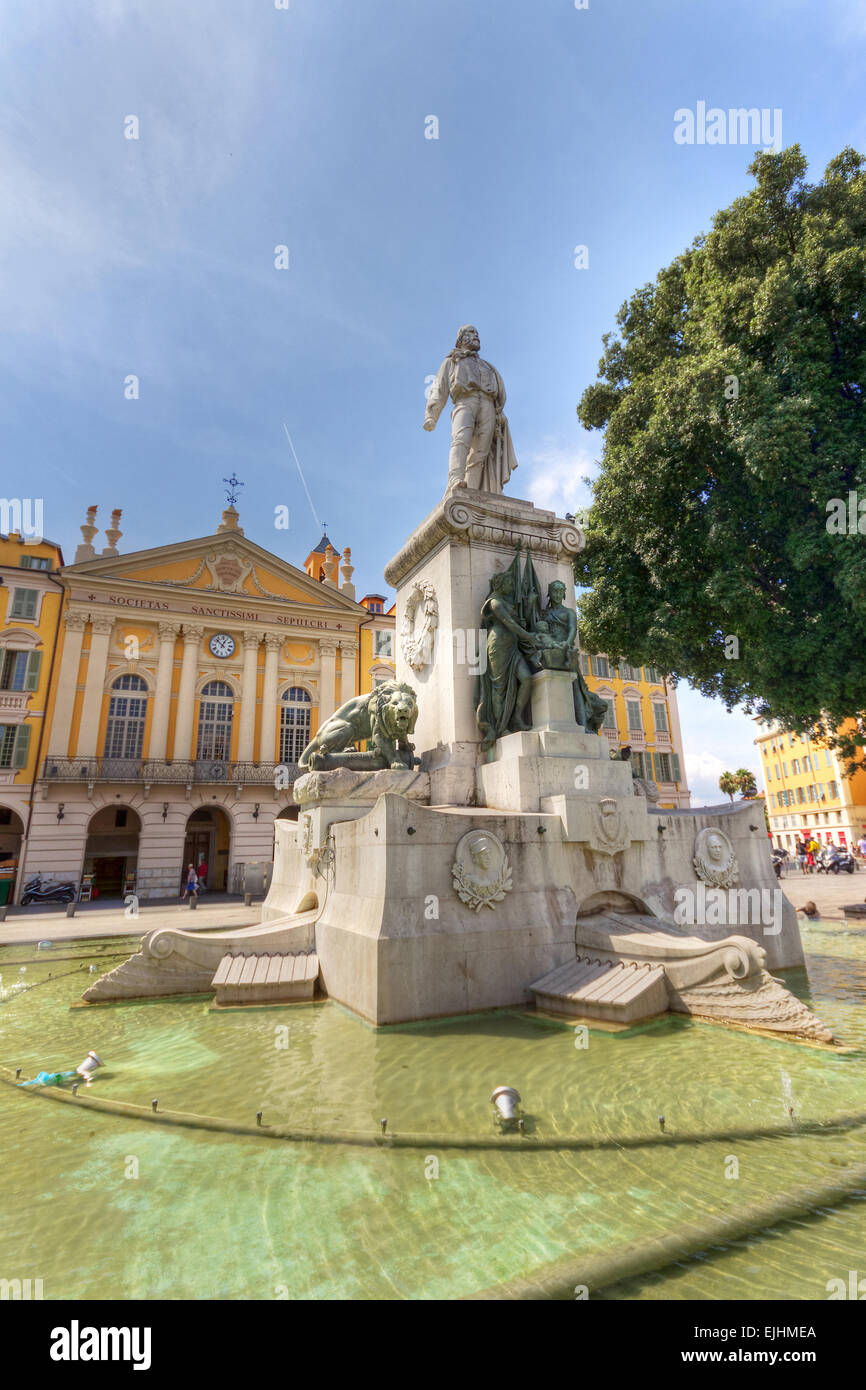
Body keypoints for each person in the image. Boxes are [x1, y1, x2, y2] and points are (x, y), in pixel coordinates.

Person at [423, 325, 518, 494]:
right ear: (461, 339)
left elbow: (499, 392)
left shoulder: (487, 366)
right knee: (461, 440)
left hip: (488, 404)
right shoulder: (452, 360)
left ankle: (472, 490)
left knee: (481, 452)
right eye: (471, 333)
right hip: (465, 401)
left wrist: (499, 412)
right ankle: (455, 480)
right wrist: (432, 415)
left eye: (477, 333)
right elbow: (439, 387)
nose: (476, 336)